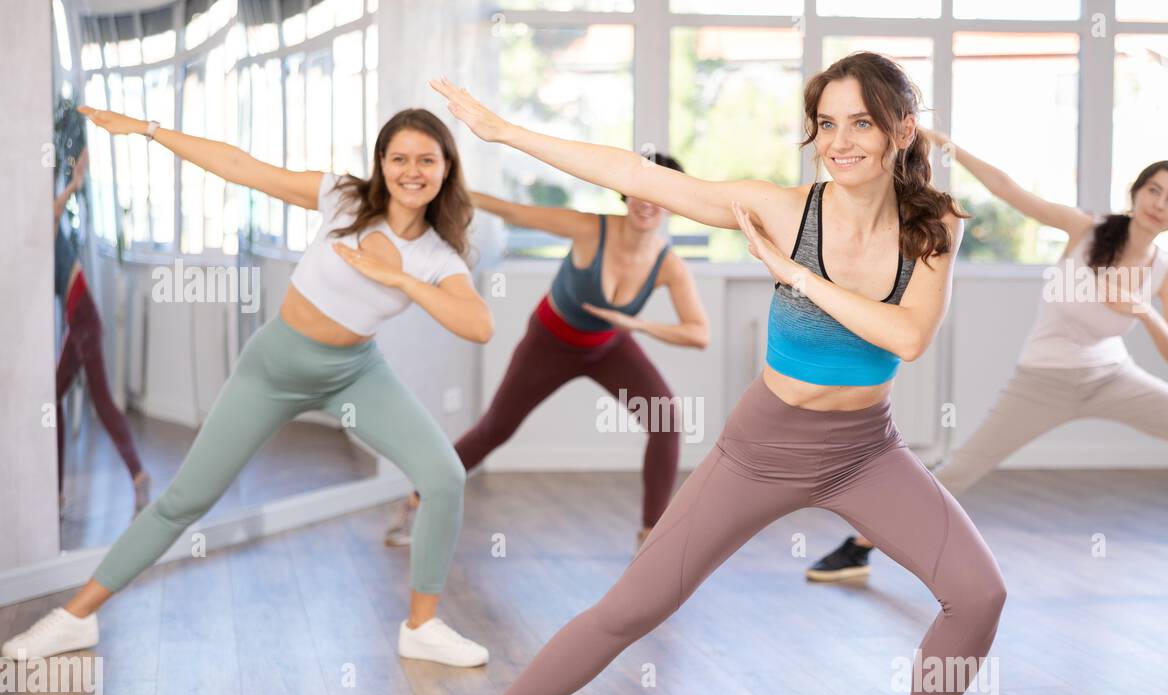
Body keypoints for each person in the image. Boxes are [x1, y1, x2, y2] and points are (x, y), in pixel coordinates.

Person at [371, 55, 1008, 695]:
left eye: (861, 122)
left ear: (902, 129)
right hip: (762, 446)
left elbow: (906, 336)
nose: (839, 142)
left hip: (866, 450)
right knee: (631, 606)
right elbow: (640, 175)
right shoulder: (782, 208)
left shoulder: (934, 225)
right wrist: (504, 131)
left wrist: (793, 276)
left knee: (979, 591)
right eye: (827, 123)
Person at [3, 107, 496, 666]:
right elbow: (242, 166)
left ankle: (422, 626)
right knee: (186, 499)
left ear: (445, 167)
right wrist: (149, 131)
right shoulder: (343, 198)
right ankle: (75, 618)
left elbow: (479, 325)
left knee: (445, 476)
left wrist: (400, 277)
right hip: (274, 367)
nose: (412, 171)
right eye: (399, 157)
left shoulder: (436, 255)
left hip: (356, 372)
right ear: (380, 164)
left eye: (426, 160)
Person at [806, 133, 1168, 607]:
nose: (1159, 203)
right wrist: (944, 142)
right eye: (1153, 190)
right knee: (958, 472)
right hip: (1042, 380)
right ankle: (859, 546)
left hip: (1112, 378)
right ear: (1137, 192)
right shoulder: (1088, 229)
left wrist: (1143, 310)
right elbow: (1008, 189)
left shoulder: (1165, 271)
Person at [384, 161, 710, 552]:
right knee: (495, 430)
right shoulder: (591, 228)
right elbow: (515, 211)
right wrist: (438, 188)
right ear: (625, 193)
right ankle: (417, 499)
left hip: (609, 347)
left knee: (665, 419)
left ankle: (651, 536)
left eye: (661, 193)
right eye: (642, 190)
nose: (648, 203)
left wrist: (636, 325)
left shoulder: (668, 265)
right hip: (549, 343)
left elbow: (698, 333)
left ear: (674, 203)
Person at [53, 149, 150, 515]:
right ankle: (56, 490)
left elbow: (53, 211)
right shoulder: (31, 244)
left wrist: (75, 182)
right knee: (53, 396)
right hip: (77, 325)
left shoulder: (47, 228)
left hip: (85, 322)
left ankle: (139, 474)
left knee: (103, 401)